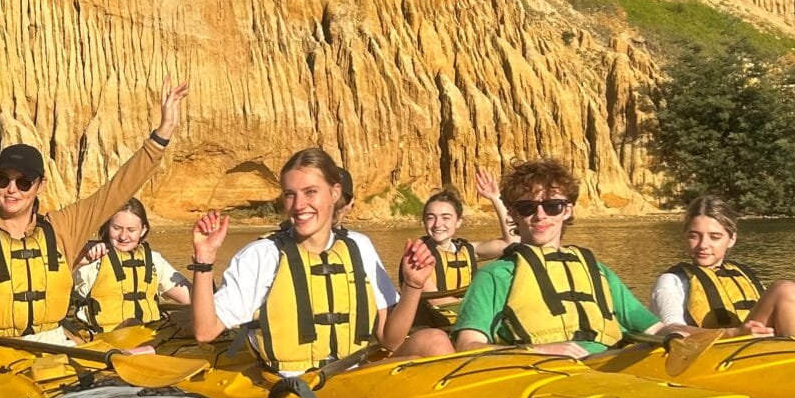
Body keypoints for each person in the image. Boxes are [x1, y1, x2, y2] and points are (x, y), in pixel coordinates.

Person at [0, 82, 188, 344]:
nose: (12, 189)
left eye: (23, 182)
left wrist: (161, 135)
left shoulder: (62, 227)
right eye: (2, 179)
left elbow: (117, 190)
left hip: (54, 342)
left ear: (39, 185)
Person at [187, 147, 452, 373]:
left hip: (353, 375)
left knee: (435, 340)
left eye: (310, 192)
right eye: (290, 194)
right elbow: (205, 331)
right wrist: (204, 260)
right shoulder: (262, 255)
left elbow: (391, 340)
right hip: (294, 385)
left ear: (335, 193)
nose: (299, 204)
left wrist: (413, 285)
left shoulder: (359, 246)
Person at [452, 158, 682, 357]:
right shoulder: (494, 276)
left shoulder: (597, 271)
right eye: (527, 207)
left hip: (609, 365)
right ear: (513, 213)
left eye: (552, 206)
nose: (540, 215)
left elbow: (655, 329)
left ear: (568, 210)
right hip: (541, 374)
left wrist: (703, 337)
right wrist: (539, 350)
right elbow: (467, 346)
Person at [650, 195, 795, 335]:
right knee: (784, 290)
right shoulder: (672, 281)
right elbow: (670, 329)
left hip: (760, 344)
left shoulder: (742, 273)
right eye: (694, 236)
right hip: (722, 354)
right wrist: (732, 333)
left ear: (731, 239)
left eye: (715, 237)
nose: (703, 245)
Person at [402, 171, 518, 326]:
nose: (437, 224)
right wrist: (483, 311)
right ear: (424, 222)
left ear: (458, 222)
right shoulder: (417, 256)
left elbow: (512, 242)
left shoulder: (468, 250)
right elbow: (438, 300)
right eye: (431, 217)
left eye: (446, 218)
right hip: (432, 328)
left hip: (467, 319)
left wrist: (495, 198)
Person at [72, 199, 191, 334]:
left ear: (143, 230)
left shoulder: (154, 260)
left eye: (131, 230)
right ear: (106, 226)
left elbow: (189, 297)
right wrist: (76, 260)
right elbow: (52, 288)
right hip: (101, 339)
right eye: (116, 228)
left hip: (146, 338)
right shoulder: (89, 257)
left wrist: (203, 264)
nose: (123, 236)